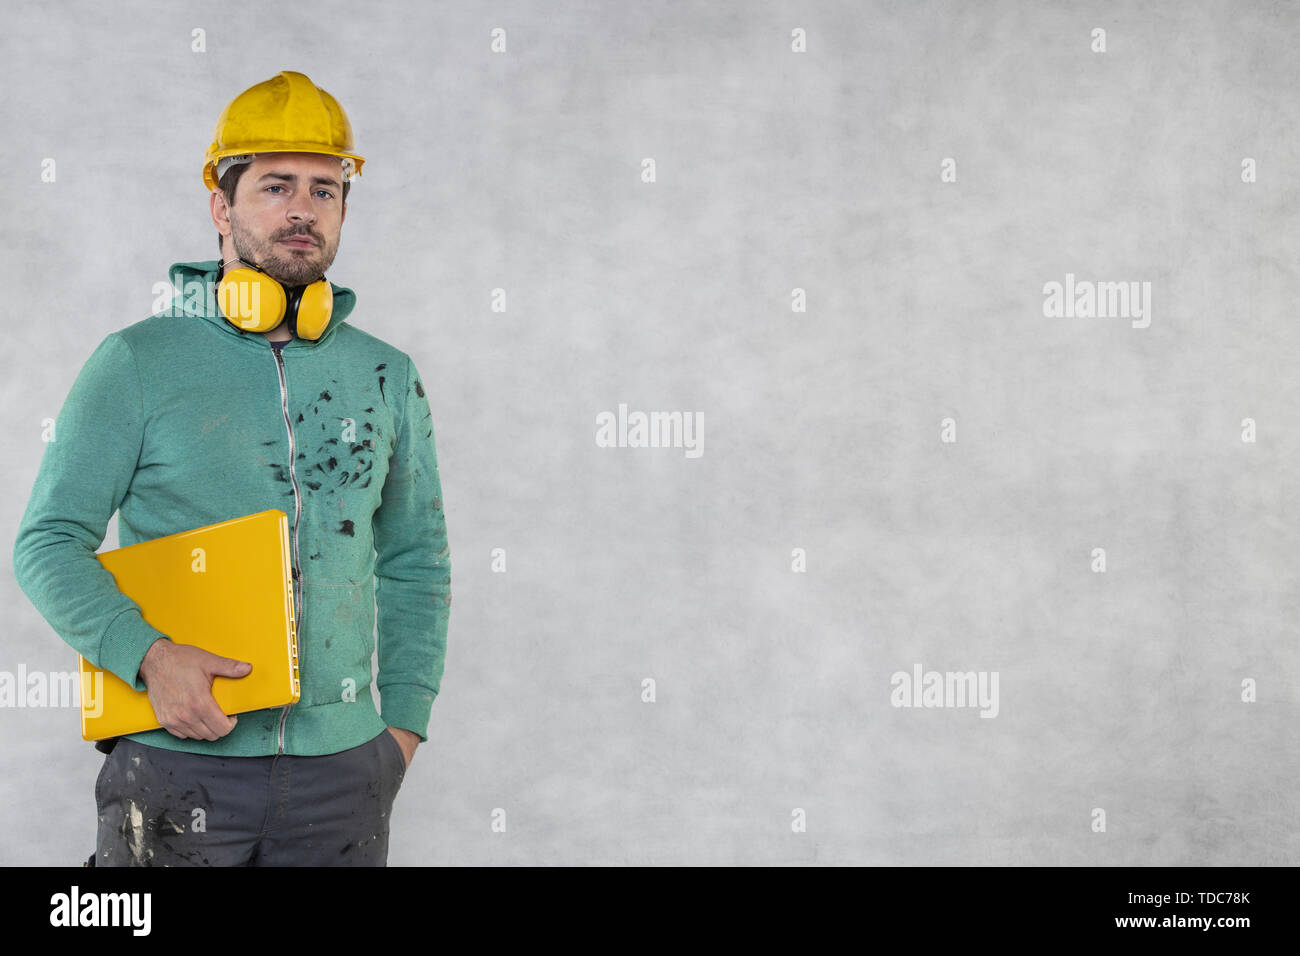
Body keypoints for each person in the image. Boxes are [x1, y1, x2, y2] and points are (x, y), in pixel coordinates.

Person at [11, 70, 452, 866]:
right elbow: (46, 541)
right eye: (276, 186)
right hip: (176, 765)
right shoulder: (135, 362)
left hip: (345, 773)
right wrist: (145, 656)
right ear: (221, 206)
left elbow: (417, 559)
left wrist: (402, 731)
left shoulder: (387, 373)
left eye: (326, 190)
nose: (301, 210)